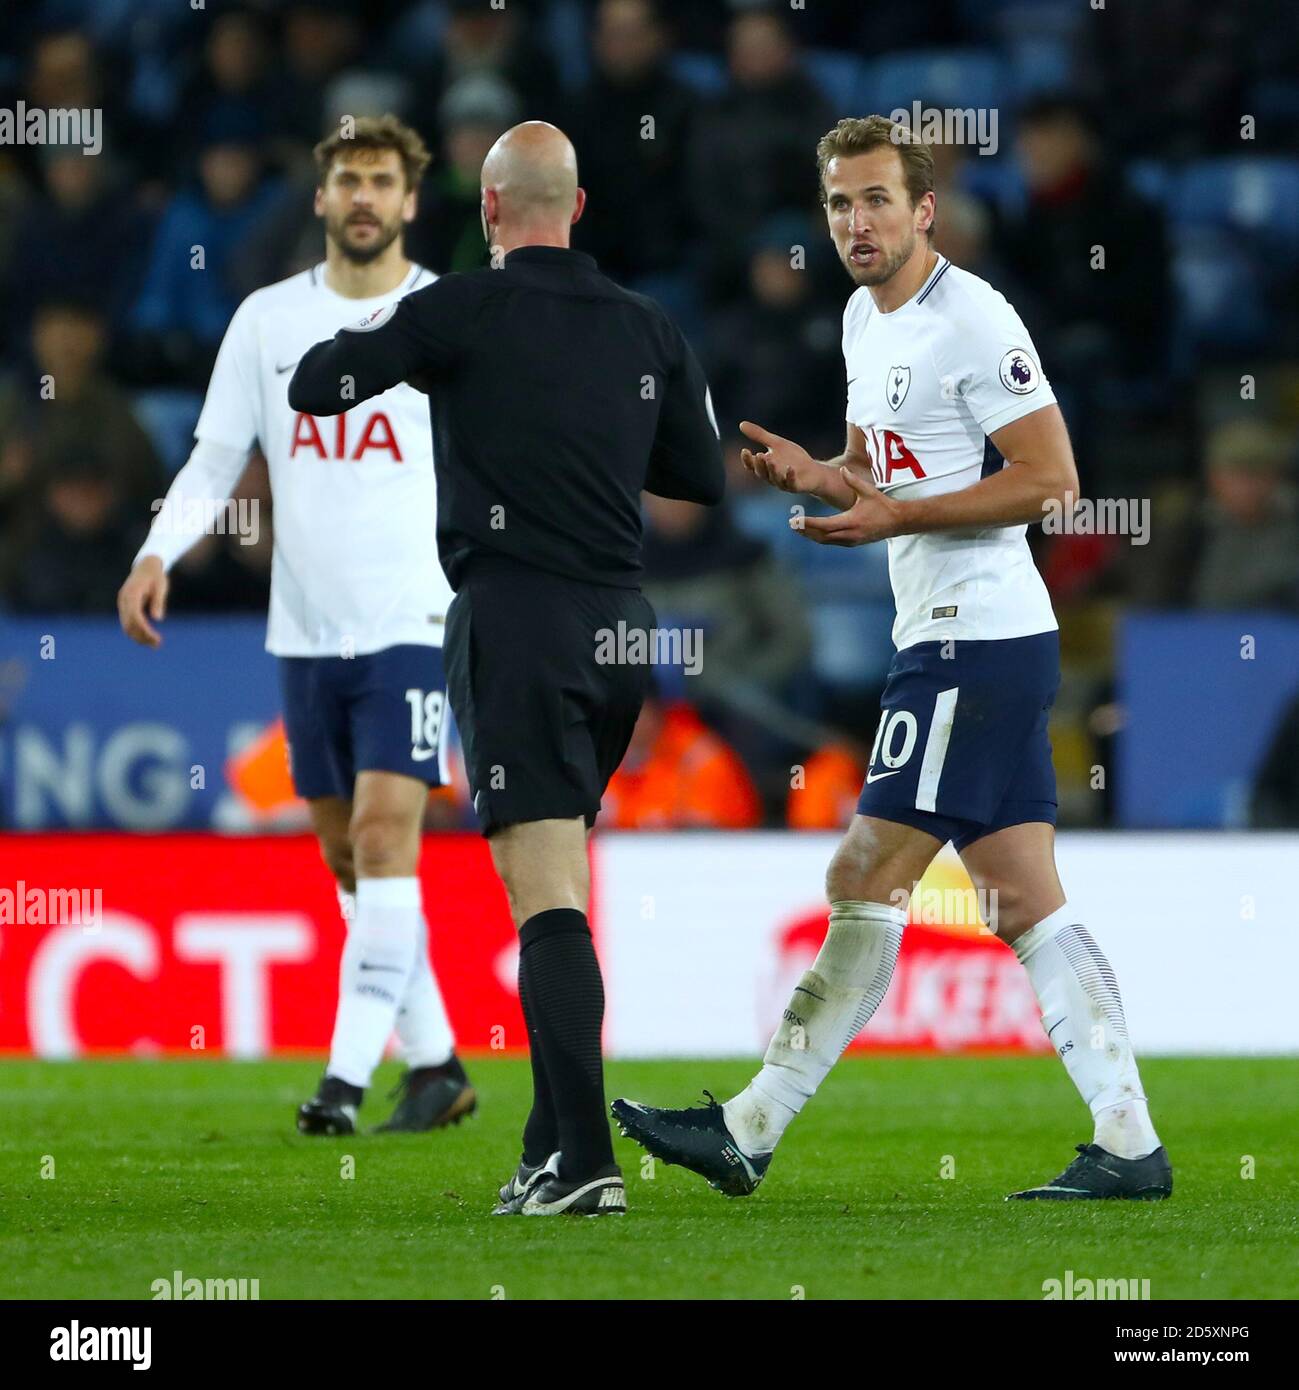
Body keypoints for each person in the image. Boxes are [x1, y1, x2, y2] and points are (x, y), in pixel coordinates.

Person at [613, 115, 1172, 1204]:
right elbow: (880, 472)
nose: (856, 222)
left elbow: (1052, 478)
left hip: (978, 635)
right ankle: (1130, 1142)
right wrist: (824, 479)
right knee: (1024, 902)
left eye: (876, 200)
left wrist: (897, 513)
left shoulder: (974, 316)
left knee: (863, 870)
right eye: (838, 204)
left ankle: (750, 1126)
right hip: (952, 636)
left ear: (924, 209)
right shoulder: (864, 323)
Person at [290, 120, 724, 1216]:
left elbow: (319, 388)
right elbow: (701, 477)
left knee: (544, 902)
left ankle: (586, 1164)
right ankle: (544, 1146)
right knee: (561, 883)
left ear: (488, 211)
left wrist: (374, 339)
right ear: (576, 209)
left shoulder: (459, 310)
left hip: (513, 619)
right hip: (623, 628)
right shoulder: (647, 324)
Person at [117, 114, 474, 1139]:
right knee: (350, 861)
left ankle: (344, 1081)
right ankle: (439, 1062)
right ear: (320, 200)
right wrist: (156, 554)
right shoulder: (268, 320)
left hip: (415, 615)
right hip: (306, 632)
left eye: (382, 182)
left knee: (382, 835)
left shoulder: (446, 318)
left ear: (411, 204)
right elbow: (216, 458)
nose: (364, 197)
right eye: (347, 180)